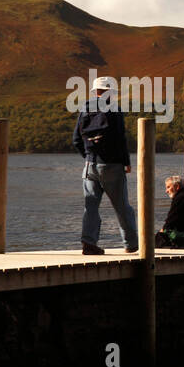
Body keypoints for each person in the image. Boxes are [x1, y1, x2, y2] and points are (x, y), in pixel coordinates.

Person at [72, 75, 138, 255]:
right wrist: (126, 162)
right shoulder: (114, 109)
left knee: (90, 207)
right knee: (122, 206)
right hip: (112, 166)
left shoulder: (85, 109)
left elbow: (76, 139)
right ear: (110, 92)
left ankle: (88, 243)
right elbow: (120, 138)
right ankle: (131, 244)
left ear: (96, 91)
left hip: (89, 165)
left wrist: (88, 156)